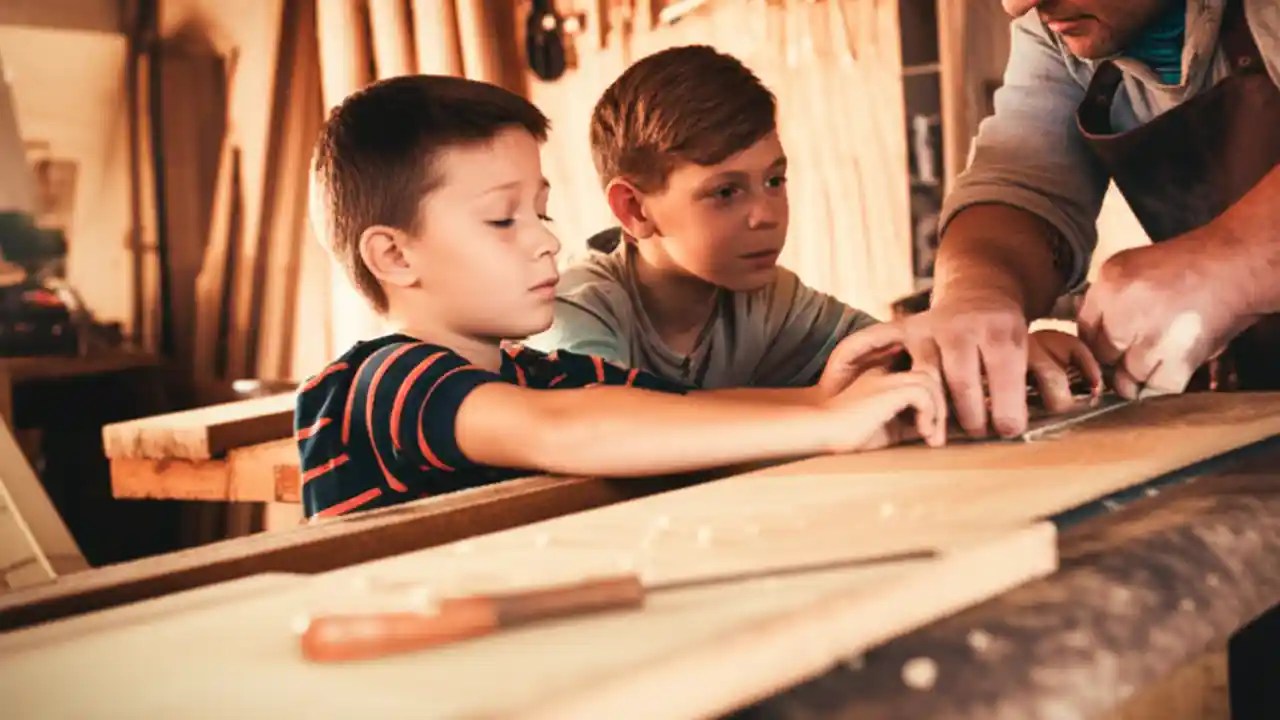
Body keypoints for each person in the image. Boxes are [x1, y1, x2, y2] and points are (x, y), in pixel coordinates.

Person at [295, 74, 948, 519]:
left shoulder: (542, 376)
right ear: (394, 256)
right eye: (502, 220)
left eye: (541, 213)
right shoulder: (383, 385)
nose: (548, 242)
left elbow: (688, 411)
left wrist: (833, 396)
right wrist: (824, 425)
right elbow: (560, 430)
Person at [528, 45, 1099, 405]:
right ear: (634, 210)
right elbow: (623, 425)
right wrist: (822, 404)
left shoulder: (770, 301)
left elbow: (893, 361)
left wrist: (993, 353)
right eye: (725, 192)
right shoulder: (576, 310)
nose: (766, 214)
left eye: (775, 180)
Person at [888, 0, 1280, 439]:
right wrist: (977, 291)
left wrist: (1236, 259)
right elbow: (1024, 186)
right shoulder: (1057, 30)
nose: (1017, 5)